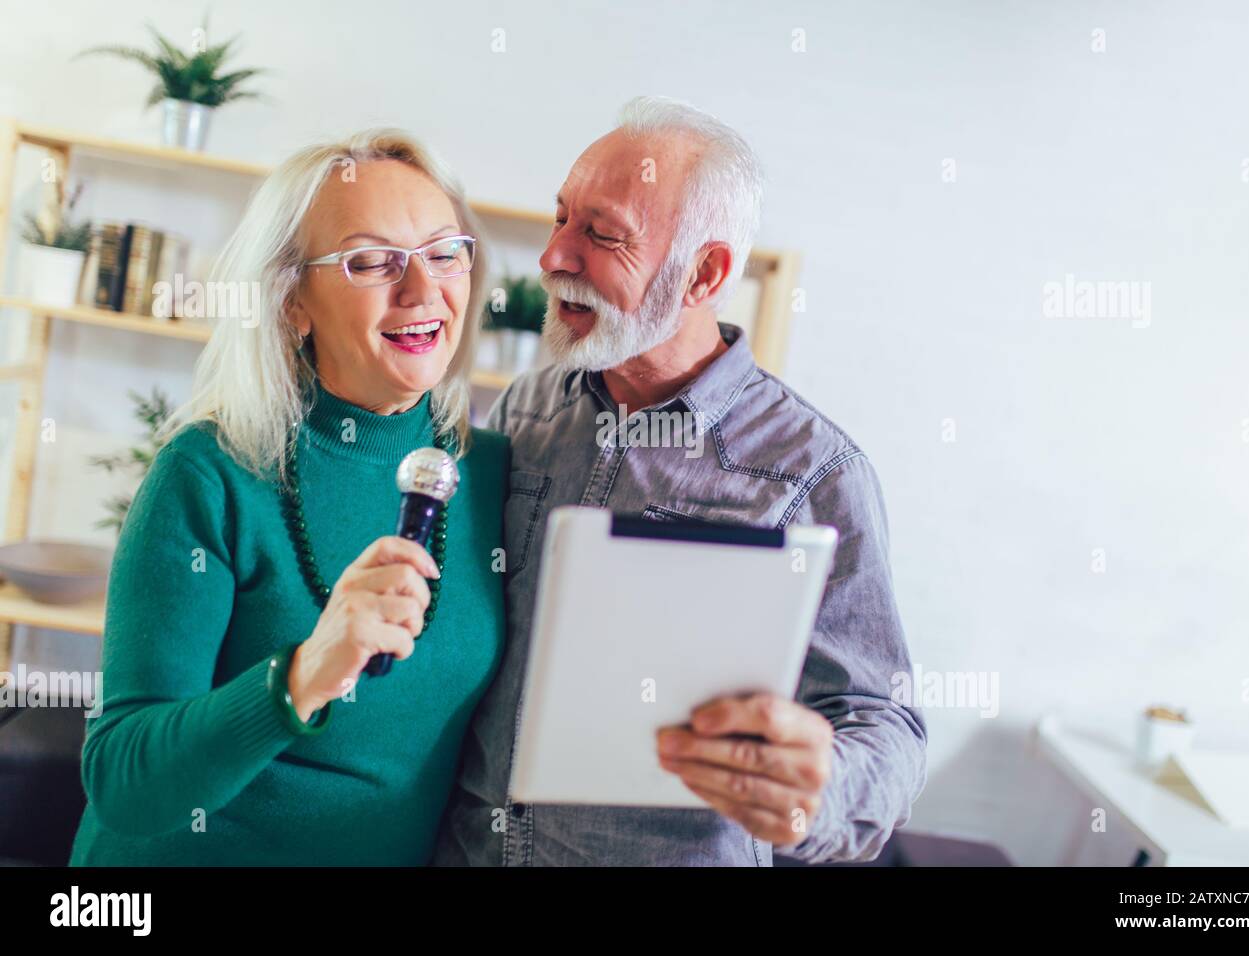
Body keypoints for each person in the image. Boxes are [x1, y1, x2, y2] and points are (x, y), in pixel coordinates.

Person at [435, 96, 927, 866]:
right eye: (561, 218)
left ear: (705, 273)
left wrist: (817, 788)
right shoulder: (527, 407)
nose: (554, 256)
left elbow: (883, 722)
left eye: (602, 234)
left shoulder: (816, 471)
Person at [70, 129, 508, 865]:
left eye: (443, 252)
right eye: (372, 261)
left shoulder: (497, 475)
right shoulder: (210, 472)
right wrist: (304, 675)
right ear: (291, 301)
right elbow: (122, 781)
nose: (423, 290)